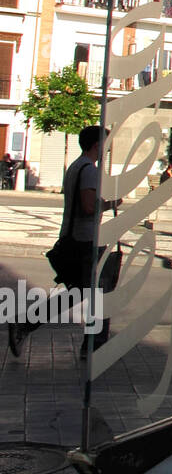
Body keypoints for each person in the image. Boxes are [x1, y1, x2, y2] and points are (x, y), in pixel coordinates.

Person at [8, 126, 120, 358]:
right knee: (100, 295)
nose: (107, 150)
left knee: (78, 293)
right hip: (86, 242)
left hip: (72, 238)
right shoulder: (89, 170)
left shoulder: (76, 167)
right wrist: (111, 204)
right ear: (97, 145)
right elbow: (89, 207)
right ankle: (93, 348)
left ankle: (25, 324)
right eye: (106, 145)